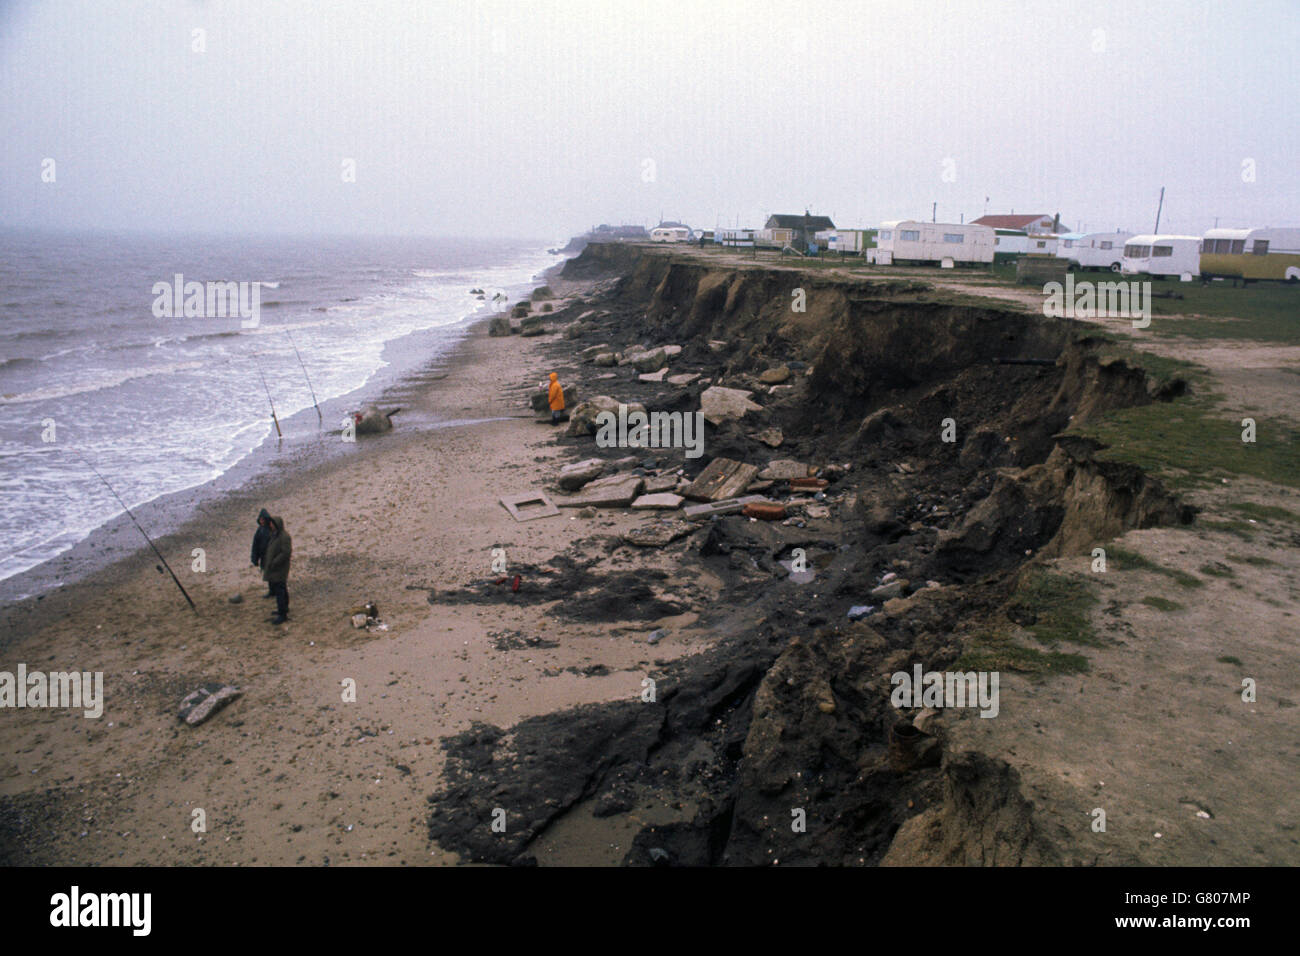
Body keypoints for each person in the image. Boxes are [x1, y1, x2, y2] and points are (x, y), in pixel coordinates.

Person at [262, 515, 292, 625]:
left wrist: (274, 562)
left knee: (280, 590)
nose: (270, 525)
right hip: (276, 567)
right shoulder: (275, 535)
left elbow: (286, 553)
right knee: (281, 588)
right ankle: (284, 609)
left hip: (280, 568)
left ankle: (282, 614)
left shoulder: (284, 537)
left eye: (272, 523)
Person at [250, 508, 274, 598]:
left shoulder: (271, 529)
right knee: (268, 575)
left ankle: (273, 591)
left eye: (263, 519)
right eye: (260, 520)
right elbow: (255, 545)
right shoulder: (259, 530)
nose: (262, 521)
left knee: (272, 575)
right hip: (263, 556)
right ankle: (272, 591)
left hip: (271, 556)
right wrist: (254, 558)